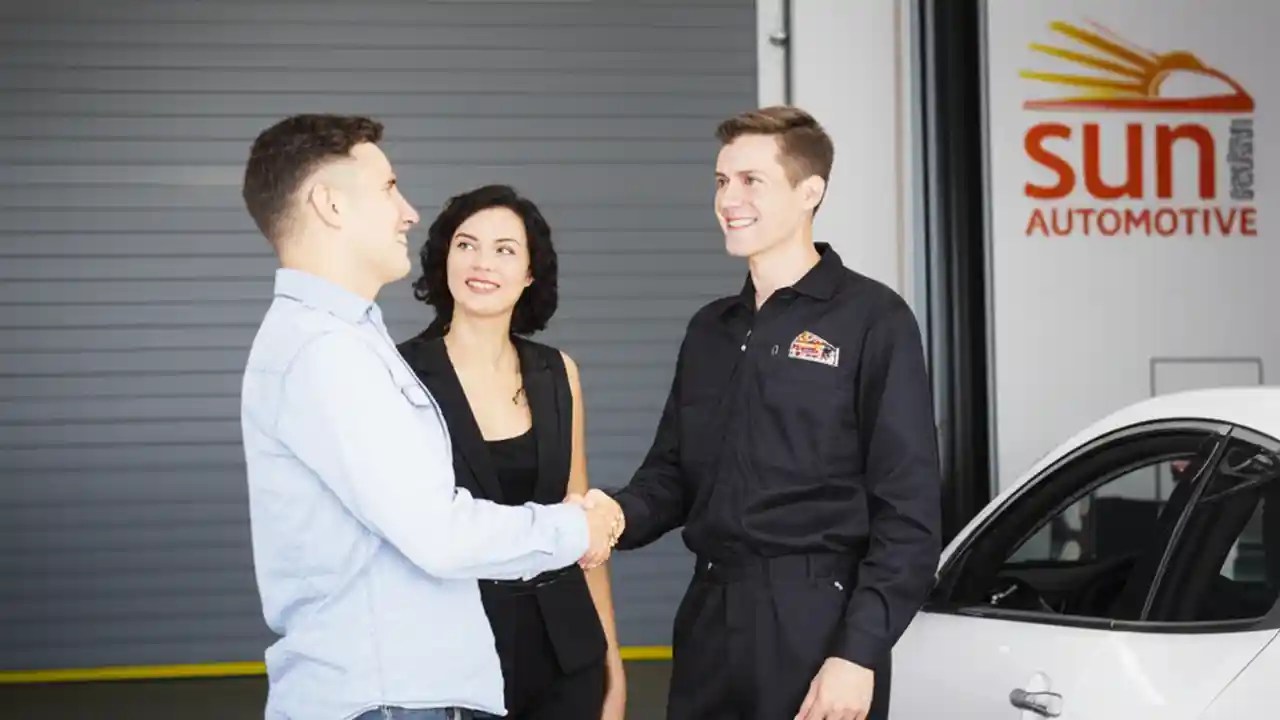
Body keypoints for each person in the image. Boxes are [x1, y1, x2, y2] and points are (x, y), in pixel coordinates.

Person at [237, 115, 623, 720]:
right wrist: (579, 528)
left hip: (426, 688)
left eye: (505, 250)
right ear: (331, 204)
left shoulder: (346, 341)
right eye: (388, 188)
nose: (408, 213)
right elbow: (438, 533)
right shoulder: (327, 352)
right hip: (386, 699)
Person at [585, 105, 943, 720]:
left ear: (810, 192)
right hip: (710, 615)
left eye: (752, 180)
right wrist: (611, 516)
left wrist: (858, 652)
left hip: (815, 623)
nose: (729, 199)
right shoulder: (711, 330)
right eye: (722, 181)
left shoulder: (872, 320)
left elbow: (908, 514)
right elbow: (671, 476)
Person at [397, 184, 627, 719]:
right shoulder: (400, 375)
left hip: (567, 652)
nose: (482, 263)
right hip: (453, 658)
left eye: (504, 249)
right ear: (444, 259)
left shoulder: (558, 372)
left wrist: (612, 662)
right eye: (466, 245)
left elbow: (583, 528)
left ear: (529, 274)